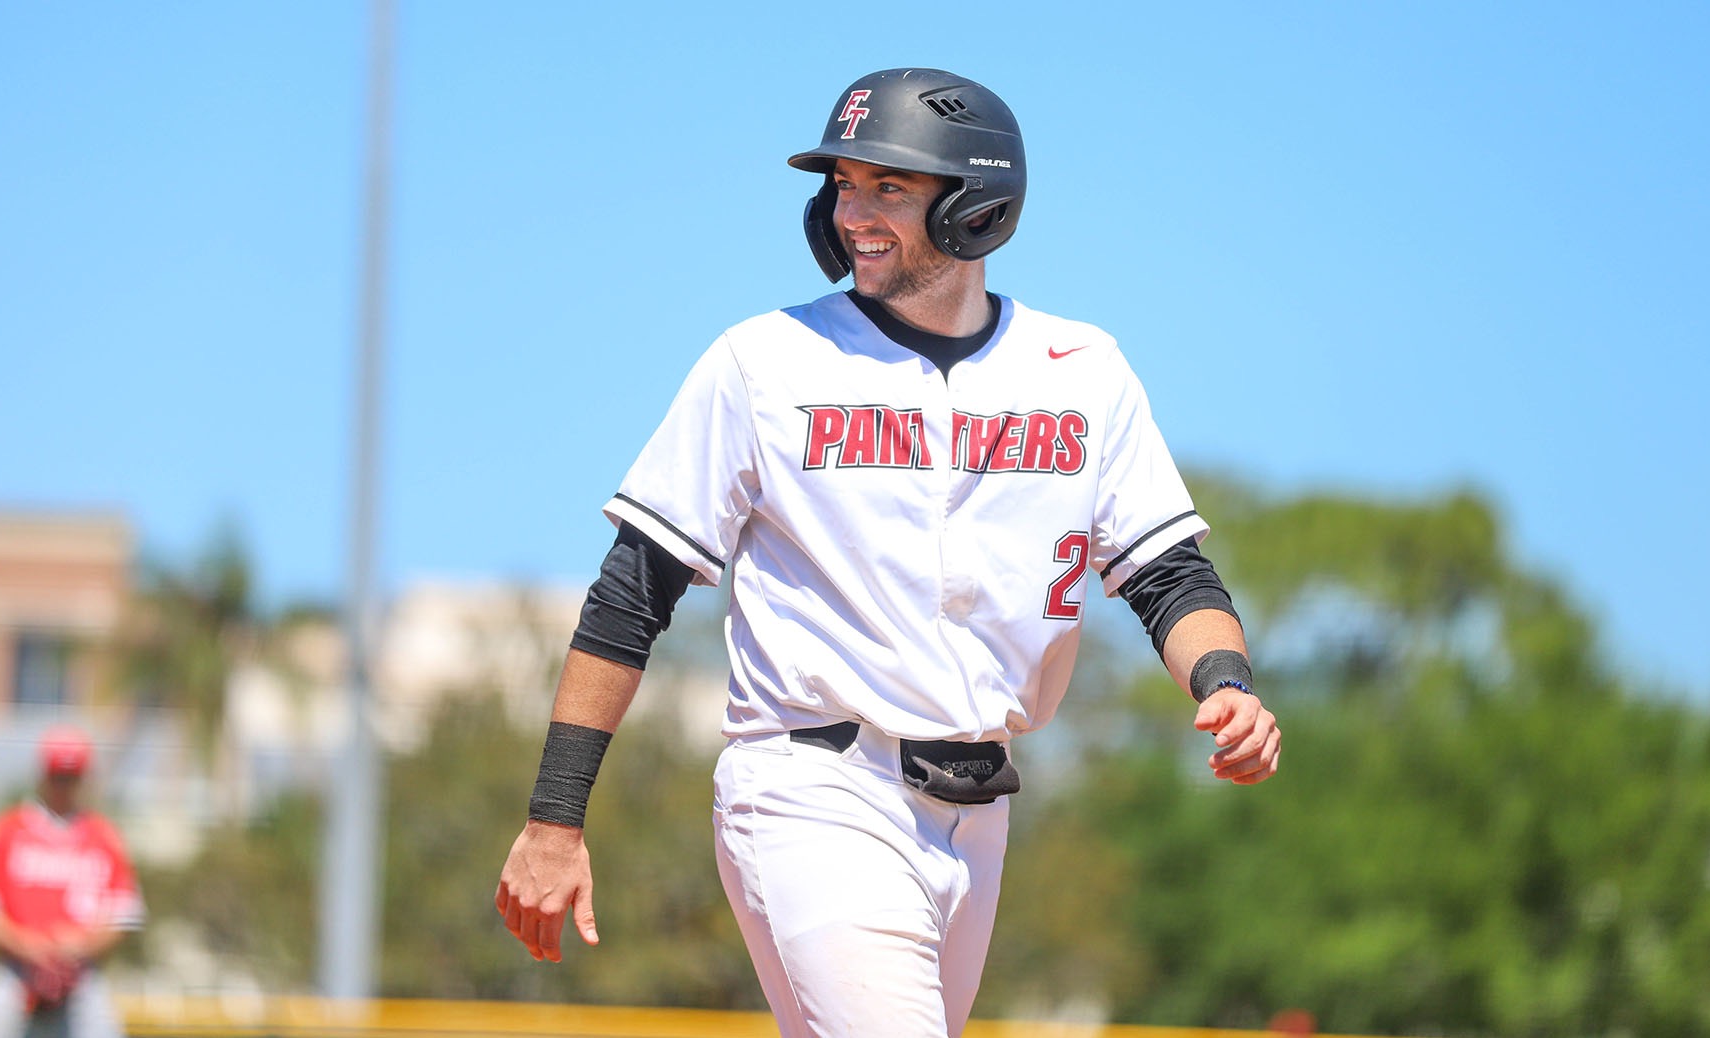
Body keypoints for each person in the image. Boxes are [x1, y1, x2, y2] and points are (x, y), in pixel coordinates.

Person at [495, 67, 1282, 1037]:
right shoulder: (764, 361)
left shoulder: (1082, 370)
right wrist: (553, 817)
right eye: (841, 184)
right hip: (813, 786)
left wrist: (1225, 678)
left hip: (978, 810)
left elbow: (1166, 571)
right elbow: (631, 593)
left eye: (887, 187)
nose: (851, 210)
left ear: (976, 205)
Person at [0, 726, 144, 1038]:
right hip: (17, 972)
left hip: (81, 975)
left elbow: (125, 914)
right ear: (43, 775)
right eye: (58, 775)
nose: (64, 785)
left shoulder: (103, 835)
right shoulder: (8, 830)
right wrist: (28, 945)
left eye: (71, 777)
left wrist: (79, 946)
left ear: (84, 779)